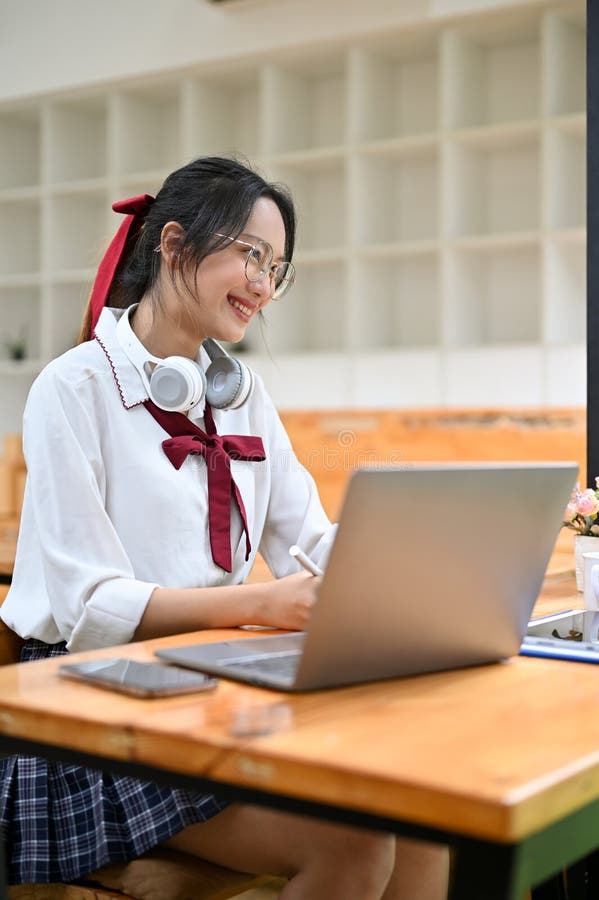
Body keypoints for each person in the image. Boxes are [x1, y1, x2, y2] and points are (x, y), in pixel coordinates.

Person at [0, 156, 449, 900]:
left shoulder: (240, 397)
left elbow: (307, 534)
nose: (264, 286)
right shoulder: (71, 388)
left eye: (277, 268)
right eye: (250, 256)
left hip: (209, 691)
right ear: (173, 244)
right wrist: (253, 605)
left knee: (429, 819)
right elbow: (88, 607)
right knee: (355, 843)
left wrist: (402, 574)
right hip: (87, 716)